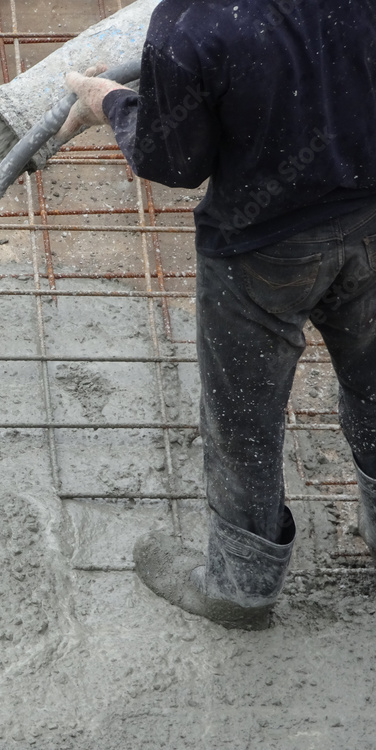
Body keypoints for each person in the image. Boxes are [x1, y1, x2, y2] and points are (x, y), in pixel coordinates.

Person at [58, 0, 376, 630]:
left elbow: (175, 161)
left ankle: (241, 589)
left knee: (244, 422)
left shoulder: (192, 23)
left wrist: (110, 102)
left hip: (261, 250)